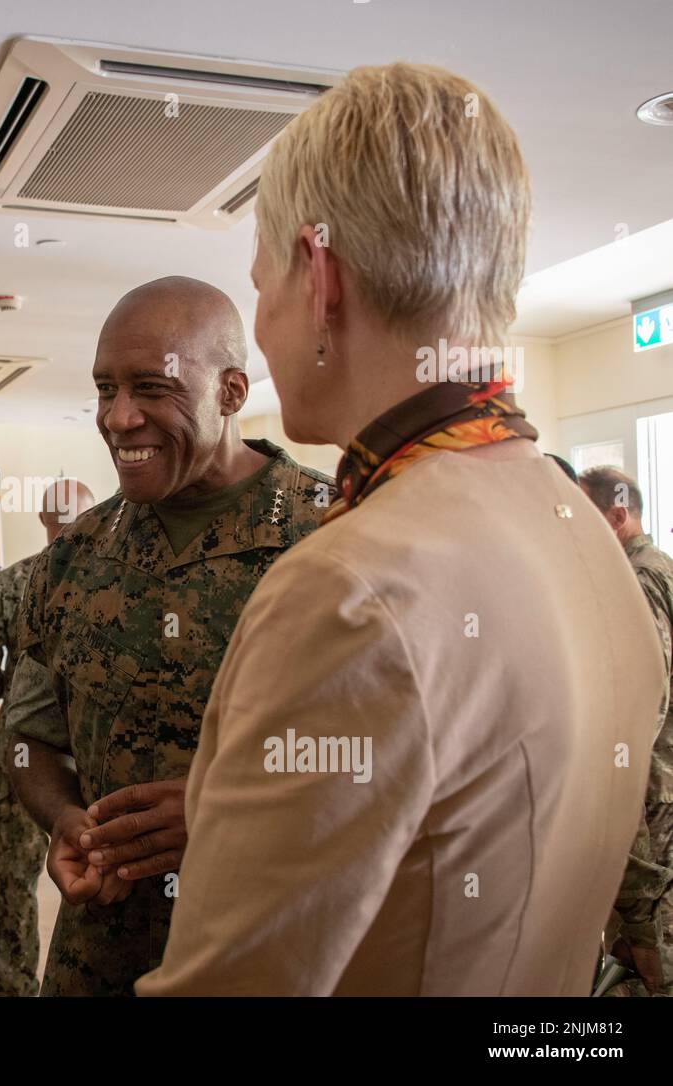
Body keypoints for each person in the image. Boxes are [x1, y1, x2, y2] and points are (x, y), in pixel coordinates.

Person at [137, 63, 664, 997]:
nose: (259, 330)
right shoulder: (585, 535)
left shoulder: (349, 588)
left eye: (263, 288)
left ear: (322, 276)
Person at [5, 276, 332, 996]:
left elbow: (392, 761)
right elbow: (26, 738)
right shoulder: (76, 554)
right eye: (105, 390)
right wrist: (64, 821)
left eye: (153, 388)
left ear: (232, 392)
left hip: (265, 958)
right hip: (98, 960)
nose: (119, 419)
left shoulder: (332, 537)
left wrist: (227, 812)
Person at [0, 478, 95, 997]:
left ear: (44, 520)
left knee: (15, 884)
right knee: (94, 873)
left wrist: (18, 689)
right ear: (90, 515)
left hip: (21, 759)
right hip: (93, 761)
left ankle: (14, 986)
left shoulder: (8, 584)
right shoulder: (110, 587)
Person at [578, 466, 673, 996]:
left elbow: (643, 701)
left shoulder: (639, 579)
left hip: (653, 792)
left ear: (617, 517)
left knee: (650, 949)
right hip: (658, 784)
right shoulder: (659, 567)